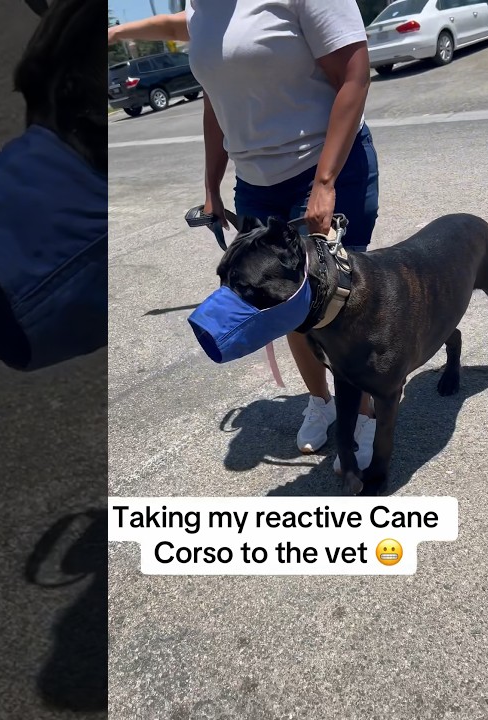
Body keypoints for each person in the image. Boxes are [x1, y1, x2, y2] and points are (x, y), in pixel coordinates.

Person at [109, 3, 382, 470]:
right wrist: (212, 186)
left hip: (324, 167)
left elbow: (355, 75)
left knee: (335, 306)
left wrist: (324, 182)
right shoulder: (202, 9)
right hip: (256, 181)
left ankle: (362, 413)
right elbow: (215, 98)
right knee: (283, 304)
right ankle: (320, 400)